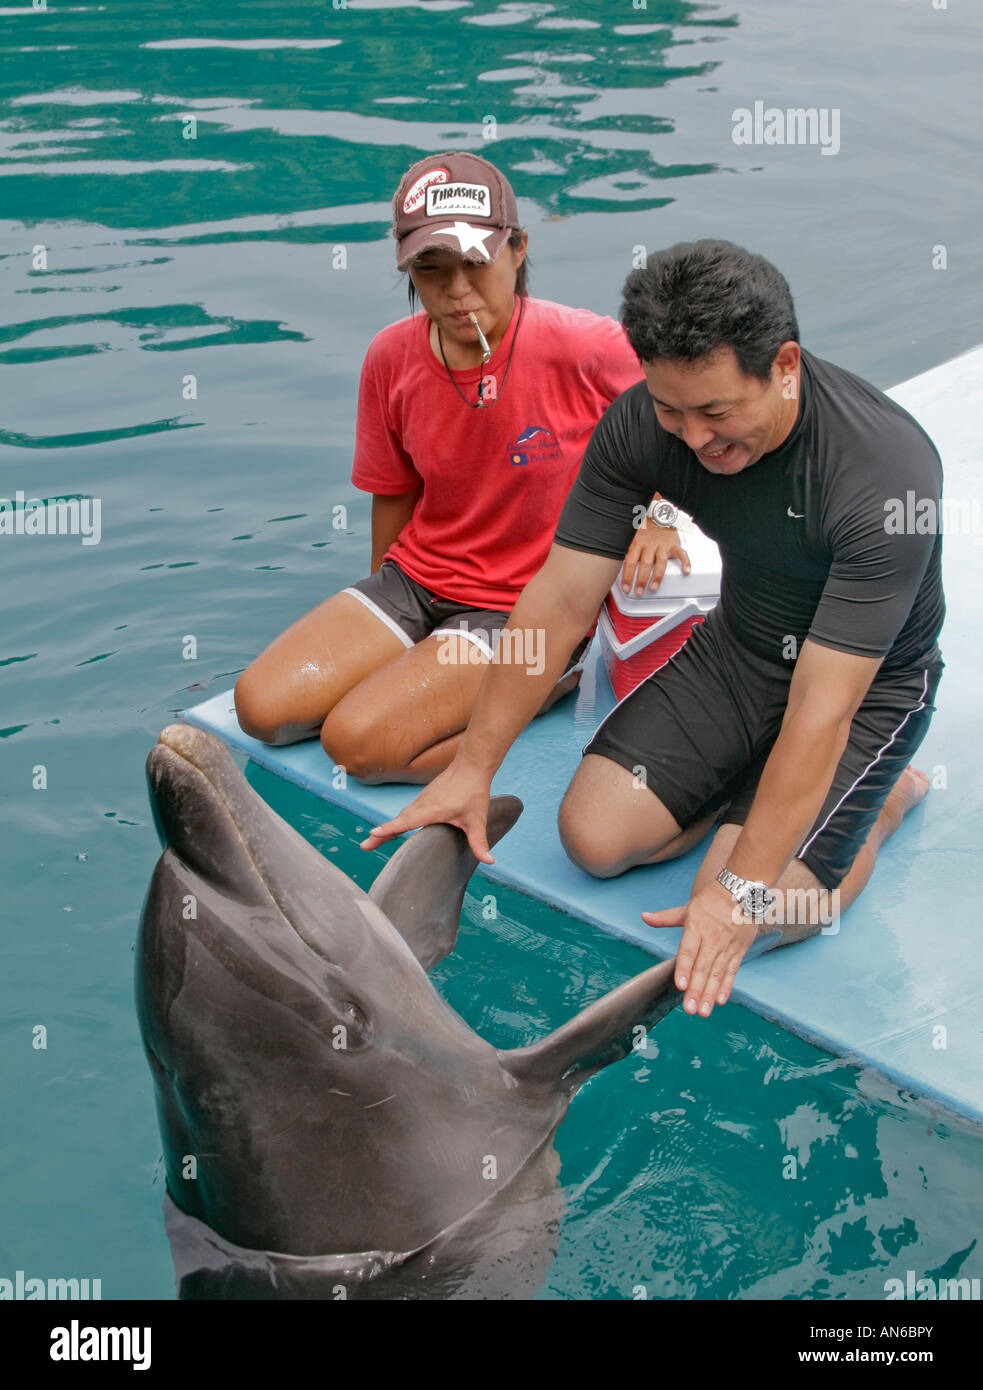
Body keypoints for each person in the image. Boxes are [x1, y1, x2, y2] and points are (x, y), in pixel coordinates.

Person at [363, 240, 945, 1021]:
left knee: (751, 912)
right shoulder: (643, 425)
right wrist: (473, 768)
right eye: (672, 411)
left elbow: (821, 709)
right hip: (740, 648)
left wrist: (741, 889)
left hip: (864, 691)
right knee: (594, 838)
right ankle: (752, 791)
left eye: (715, 412)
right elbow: (559, 602)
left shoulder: (883, 474)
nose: (696, 440)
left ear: (783, 365)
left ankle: (877, 804)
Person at [234, 152, 684, 781]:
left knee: (359, 745)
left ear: (518, 249)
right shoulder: (390, 357)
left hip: (524, 608)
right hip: (417, 581)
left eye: (474, 263)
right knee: (261, 709)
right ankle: (454, 681)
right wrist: (385, 634)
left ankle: (551, 679)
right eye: (430, 268)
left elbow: (681, 418)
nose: (455, 290)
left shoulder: (587, 346)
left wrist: (662, 513)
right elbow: (393, 492)